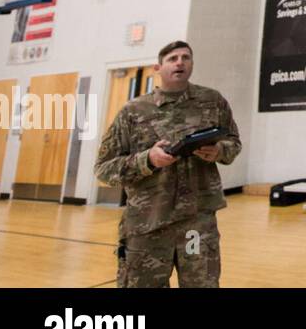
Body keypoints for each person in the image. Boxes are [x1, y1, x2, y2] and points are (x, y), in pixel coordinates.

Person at [95, 40, 241, 287]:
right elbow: (103, 168)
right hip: (148, 224)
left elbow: (233, 143)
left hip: (197, 224)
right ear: (157, 68)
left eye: (186, 57)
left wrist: (219, 151)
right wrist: (147, 160)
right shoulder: (134, 111)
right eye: (173, 58)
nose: (180, 62)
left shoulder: (212, 101)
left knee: (201, 285)